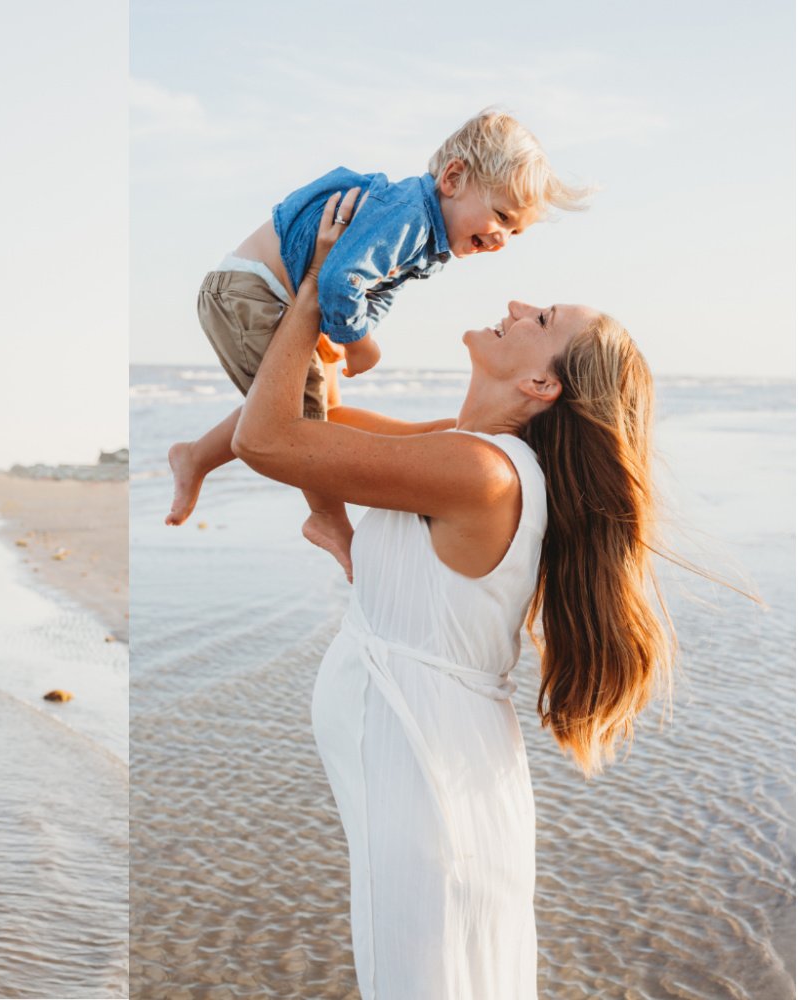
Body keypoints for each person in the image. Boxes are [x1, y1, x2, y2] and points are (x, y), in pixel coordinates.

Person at [231, 191, 674, 998]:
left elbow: (265, 440)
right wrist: (326, 315)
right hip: (427, 766)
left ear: (540, 383)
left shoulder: (478, 472)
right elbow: (321, 420)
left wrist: (314, 289)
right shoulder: (461, 450)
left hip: (427, 780)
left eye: (541, 318)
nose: (516, 304)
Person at [165, 109, 590, 582]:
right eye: (502, 217)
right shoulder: (407, 217)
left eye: (515, 231)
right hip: (252, 293)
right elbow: (340, 279)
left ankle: (197, 455)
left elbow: (376, 289)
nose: (502, 239)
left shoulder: (427, 238)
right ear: (452, 178)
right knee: (297, 411)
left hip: (268, 293)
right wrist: (358, 343)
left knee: (299, 402)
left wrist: (346, 330)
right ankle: (326, 515)